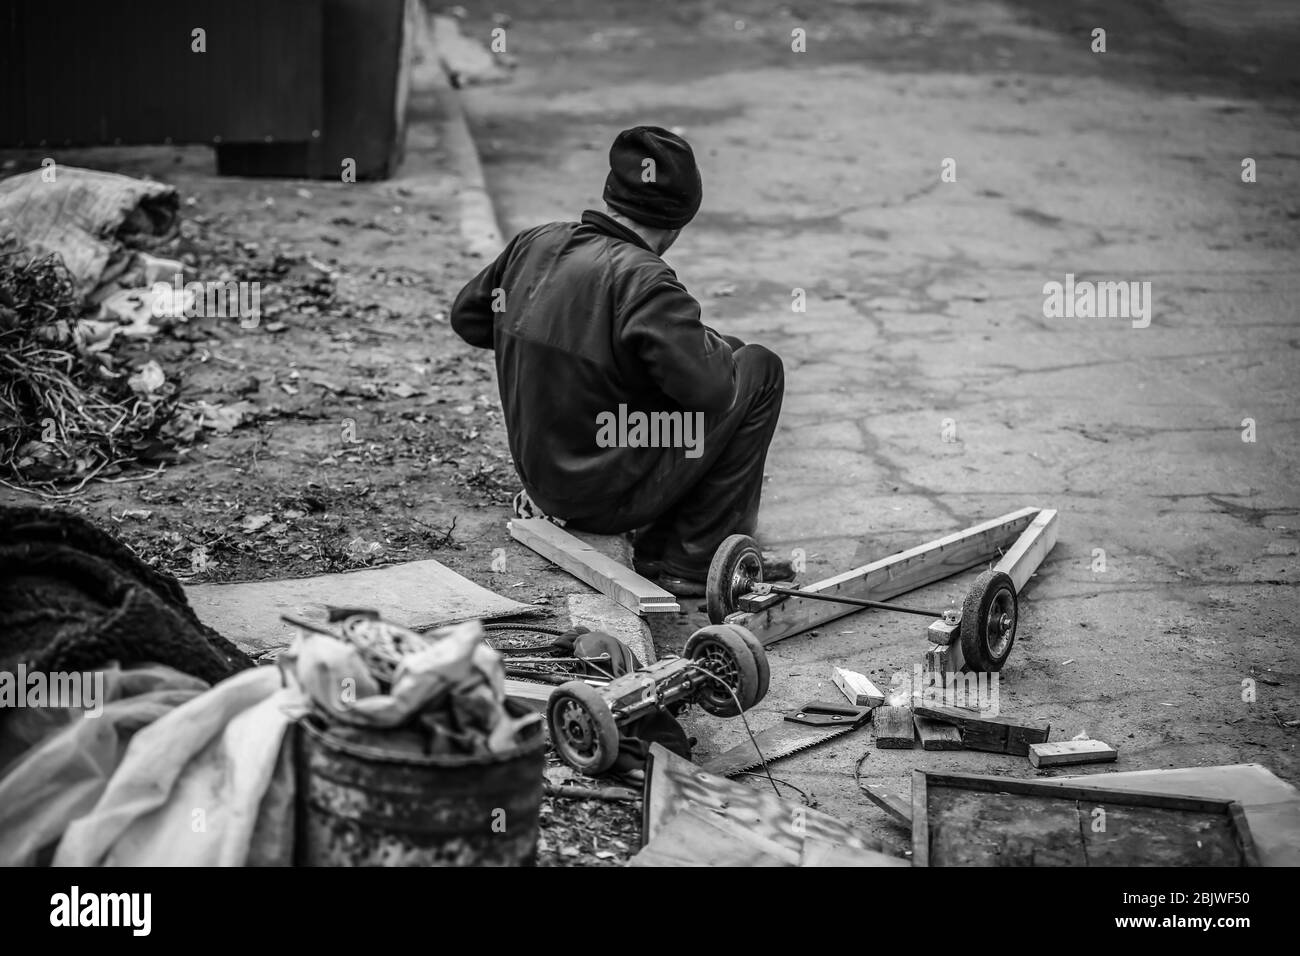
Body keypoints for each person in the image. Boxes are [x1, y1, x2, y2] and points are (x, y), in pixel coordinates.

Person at [450, 126, 786, 595]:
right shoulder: (645, 280)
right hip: (602, 493)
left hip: (546, 476)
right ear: (677, 223)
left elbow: (469, 320)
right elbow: (714, 392)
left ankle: (666, 535)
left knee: (723, 349)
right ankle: (695, 562)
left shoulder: (536, 242)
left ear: (612, 197)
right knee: (758, 369)